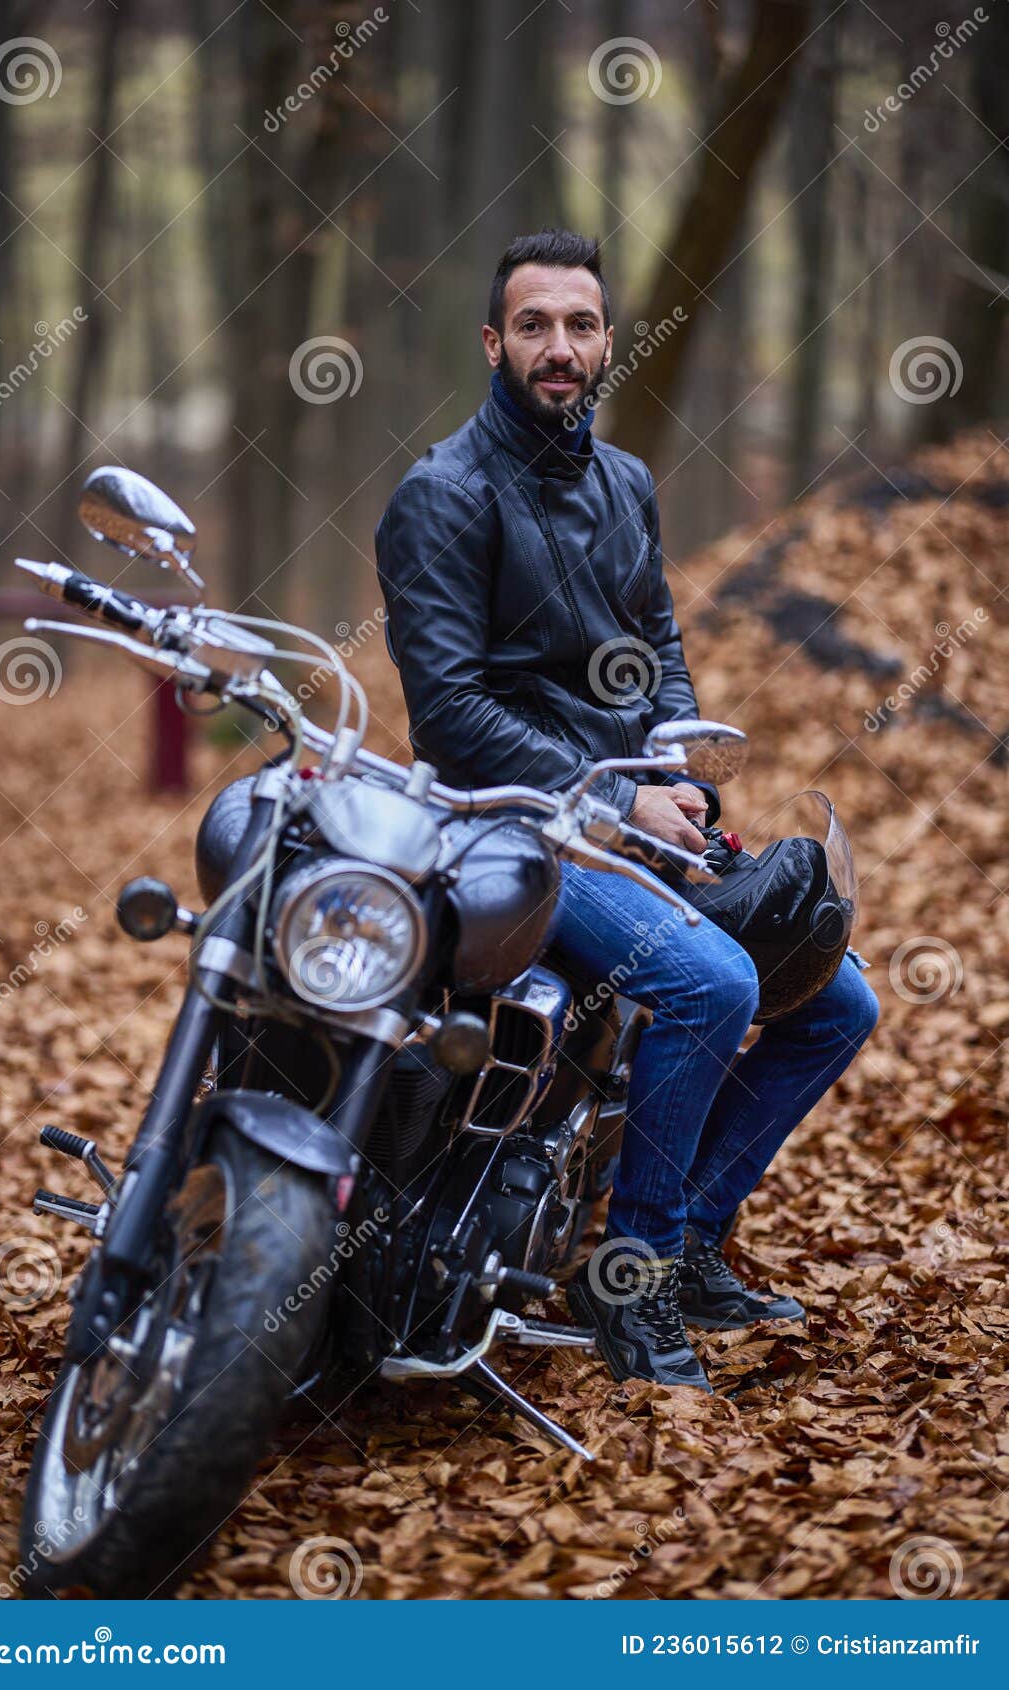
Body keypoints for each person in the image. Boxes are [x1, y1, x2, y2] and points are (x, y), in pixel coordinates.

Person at [374, 228, 879, 1392]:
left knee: (834, 999)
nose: (560, 348)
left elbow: (654, 642)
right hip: (504, 827)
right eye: (535, 325)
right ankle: (628, 1282)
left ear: (607, 342)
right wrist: (609, 795)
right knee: (709, 984)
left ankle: (693, 1231)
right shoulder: (441, 494)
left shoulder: (622, 483)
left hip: (627, 809)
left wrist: (684, 772)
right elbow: (449, 712)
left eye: (581, 325)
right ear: (493, 343)